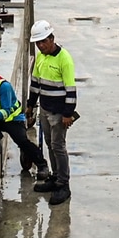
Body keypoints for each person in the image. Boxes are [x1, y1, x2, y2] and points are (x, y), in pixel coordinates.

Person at [28, 20, 77, 205]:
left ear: (52, 38)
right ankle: (55, 177)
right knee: (49, 144)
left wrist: (67, 114)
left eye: (43, 42)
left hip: (58, 113)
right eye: (37, 43)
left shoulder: (64, 59)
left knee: (58, 146)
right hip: (45, 109)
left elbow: (70, 90)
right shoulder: (40, 57)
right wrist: (30, 105)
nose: (40, 46)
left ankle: (63, 184)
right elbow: (35, 84)